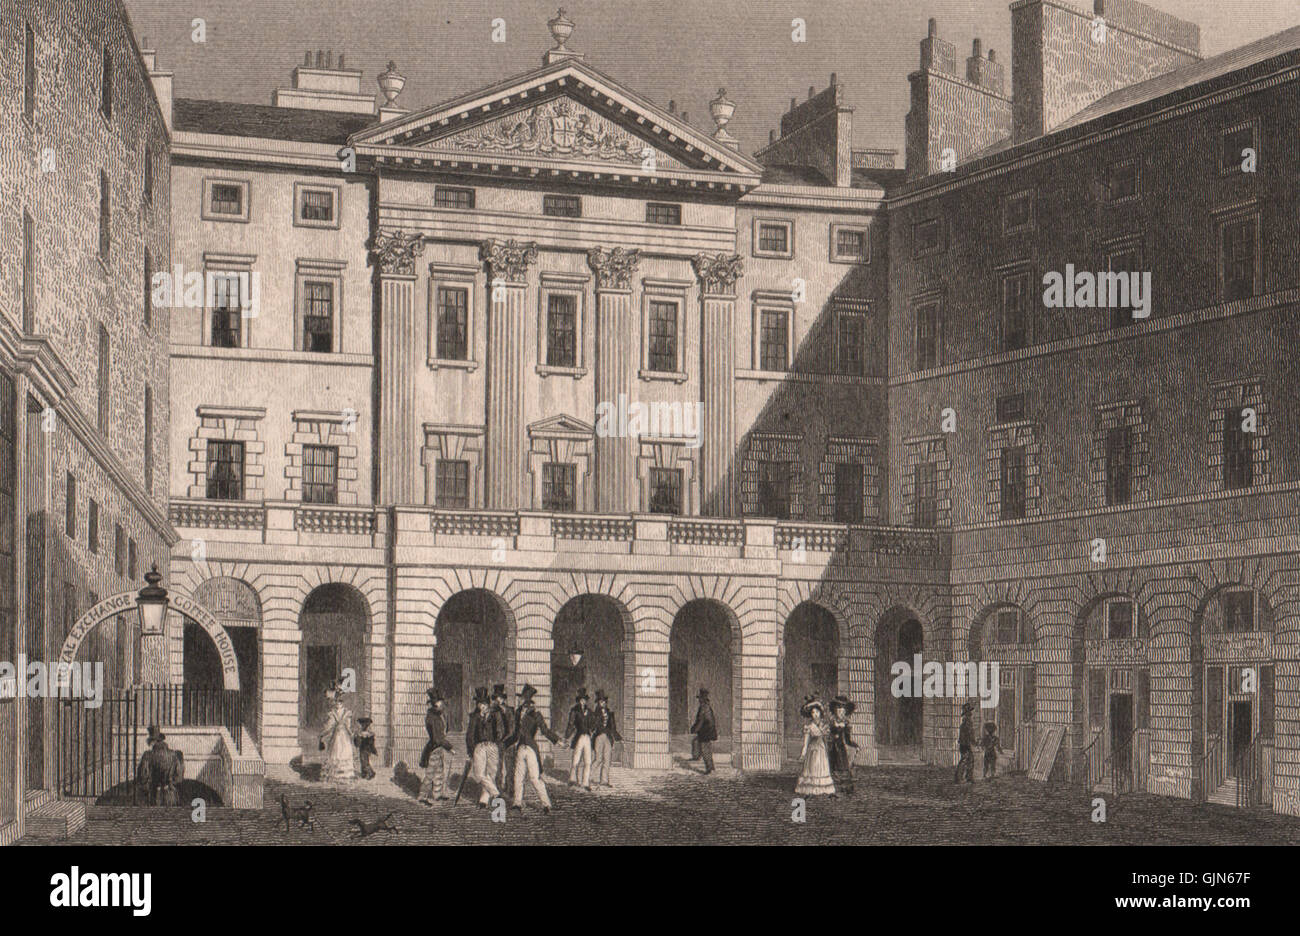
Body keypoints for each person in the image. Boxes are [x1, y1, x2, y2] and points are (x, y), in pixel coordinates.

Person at [508, 684, 559, 813]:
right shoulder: (518, 712)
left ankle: (546, 804)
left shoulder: (536, 715)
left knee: (534, 778)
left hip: (530, 749)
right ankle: (517, 803)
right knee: (518, 777)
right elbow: (515, 734)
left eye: (521, 699)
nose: (519, 701)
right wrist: (504, 744)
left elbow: (545, 731)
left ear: (527, 701)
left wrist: (557, 740)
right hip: (520, 748)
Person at [465, 687, 501, 808]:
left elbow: (500, 731)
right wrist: (470, 751)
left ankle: (484, 800)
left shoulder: (495, 716)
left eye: (484, 704)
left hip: (492, 746)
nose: (482, 706)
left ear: (488, 704)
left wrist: (496, 743)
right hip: (479, 747)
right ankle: (495, 793)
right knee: (479, 774)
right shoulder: (474, 717)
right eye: (480, 704)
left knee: (491, 774)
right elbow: (470, 735)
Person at [418, 689, 454, 804]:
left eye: (440, 701)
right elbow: (437, 738)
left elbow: (444, 731)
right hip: (434, 747)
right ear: (433, 703)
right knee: (430, 773)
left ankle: (437, 794)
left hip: (439, 748)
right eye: (437, 702)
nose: (439, 703)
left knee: (439, 772)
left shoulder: (440, 714)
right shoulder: (432, 716)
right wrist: (449, 747)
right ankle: (422, 796)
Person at [795, 696, 836, 797]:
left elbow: (828, 739)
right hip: (812, 750)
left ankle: (823, 788)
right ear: (810, 714)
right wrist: (803, 753)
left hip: (822, 750)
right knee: (812, 768)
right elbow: (806, 742)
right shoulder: (809, 727)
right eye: (813, 713)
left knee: (821, 767)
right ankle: (810, 788)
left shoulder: (824, 726)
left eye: (817, 712)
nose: (815, 715)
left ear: (820, 713)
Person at [135, 725, 184, 806]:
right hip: (170, 795)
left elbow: (143, 776)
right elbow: (179, 776)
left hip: (154, 795)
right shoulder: (173, 755)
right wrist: (171, 783)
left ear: (153, 741)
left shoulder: (148, 755)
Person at [320, 687, 357, 781]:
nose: (338, 704)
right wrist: (324, 733)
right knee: (337, 752)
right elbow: (329, 725)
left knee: (341, 752)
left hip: (342, 735)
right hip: (338, 735)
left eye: (339, 702)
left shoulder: (345, 713)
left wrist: (351, 733)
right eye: (336, 702)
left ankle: (344, 775)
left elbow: (348, 726)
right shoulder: (334, 713)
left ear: (342, 703)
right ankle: (336, 775)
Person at [827, 694, 859, 795]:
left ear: (845, 711)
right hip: (832, 746)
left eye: (842, 709)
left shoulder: (846, 723)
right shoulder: (832, 722)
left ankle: (847, 787)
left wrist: (854, 745)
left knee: (844, 765)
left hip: (841, 747)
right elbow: (828, 734)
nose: (840, 711)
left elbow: (848, 738)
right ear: (834, 710)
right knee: (832, 765)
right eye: (838, 709)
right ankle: (833, 786)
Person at [564, 687, 595, 789]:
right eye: (581, 699)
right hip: (579, 737)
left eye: (584, 700)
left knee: (588, 761)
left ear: (586, 700)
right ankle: (572, 779)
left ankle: (585, 783)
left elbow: (593, 724)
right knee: (576, 760)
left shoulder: (589, 711)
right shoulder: (574, 711)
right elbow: (571, 724)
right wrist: (567, 737)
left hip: (587, 738)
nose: (583, 701)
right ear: (578, 700)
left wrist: (591, 729)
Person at [591, 689, 622, 787]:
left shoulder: (610, 713)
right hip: (599, 737)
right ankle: (587, 777)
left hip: (608, 737)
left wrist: (619, 738)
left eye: (604, 701)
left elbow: (613, 728)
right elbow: (593, 726)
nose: (602, 703)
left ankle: (604, 781)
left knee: (607, 759)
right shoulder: (595, 713)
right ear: (598, 703)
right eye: (600, 701)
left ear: (605, 702)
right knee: (598, 759)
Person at [491, 684, 516, 793]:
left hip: (509, 742)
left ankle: (510, 788)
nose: (498, 700)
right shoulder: (493, 712)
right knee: (498, 766)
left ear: (503, 699)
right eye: (496, 698)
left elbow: (512, 727)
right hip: (498, 742)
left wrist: (504, 711)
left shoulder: (510, 710)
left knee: (510, 767)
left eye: (500, 698)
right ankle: (498, 789)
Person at [691, 688, 718, 774]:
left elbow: (701, 721)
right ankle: (697, 757)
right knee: (697, 742)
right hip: (706, 730)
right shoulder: (706, 706)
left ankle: (709, 769)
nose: (699, 700)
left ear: (703, 699)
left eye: (700, 698)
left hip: (706, 731)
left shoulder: (704, 707)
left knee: (705, 750)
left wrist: (695, 729)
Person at [955, 701, 976, 784]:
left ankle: (968, 777)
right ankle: (960, 778)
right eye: (969, 712)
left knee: (969, 760)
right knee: (965, 760)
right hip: (965, 744)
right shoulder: (967, 723)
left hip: (965, 744)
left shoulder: (966, 723)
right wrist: (973, 742)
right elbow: (970, 734)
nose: (971, 714)